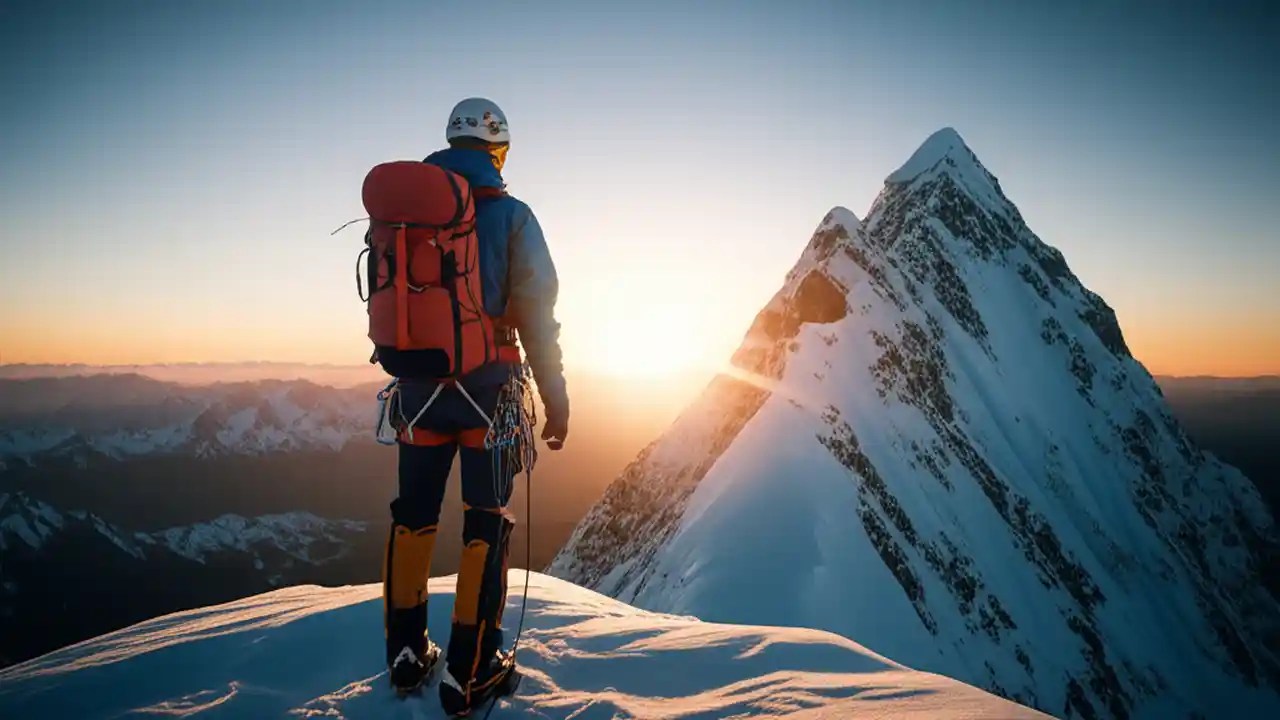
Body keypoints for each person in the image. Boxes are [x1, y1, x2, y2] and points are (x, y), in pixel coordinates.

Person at [381, 97, 569, 714]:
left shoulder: (404, 218)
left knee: (414, 514)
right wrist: (556, 398)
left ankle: (407, 654)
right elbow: (537, 318)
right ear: (498, 151)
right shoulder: (512, 216)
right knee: (485, 520)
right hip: (488, 395)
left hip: (416, 392)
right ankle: (472, 670)